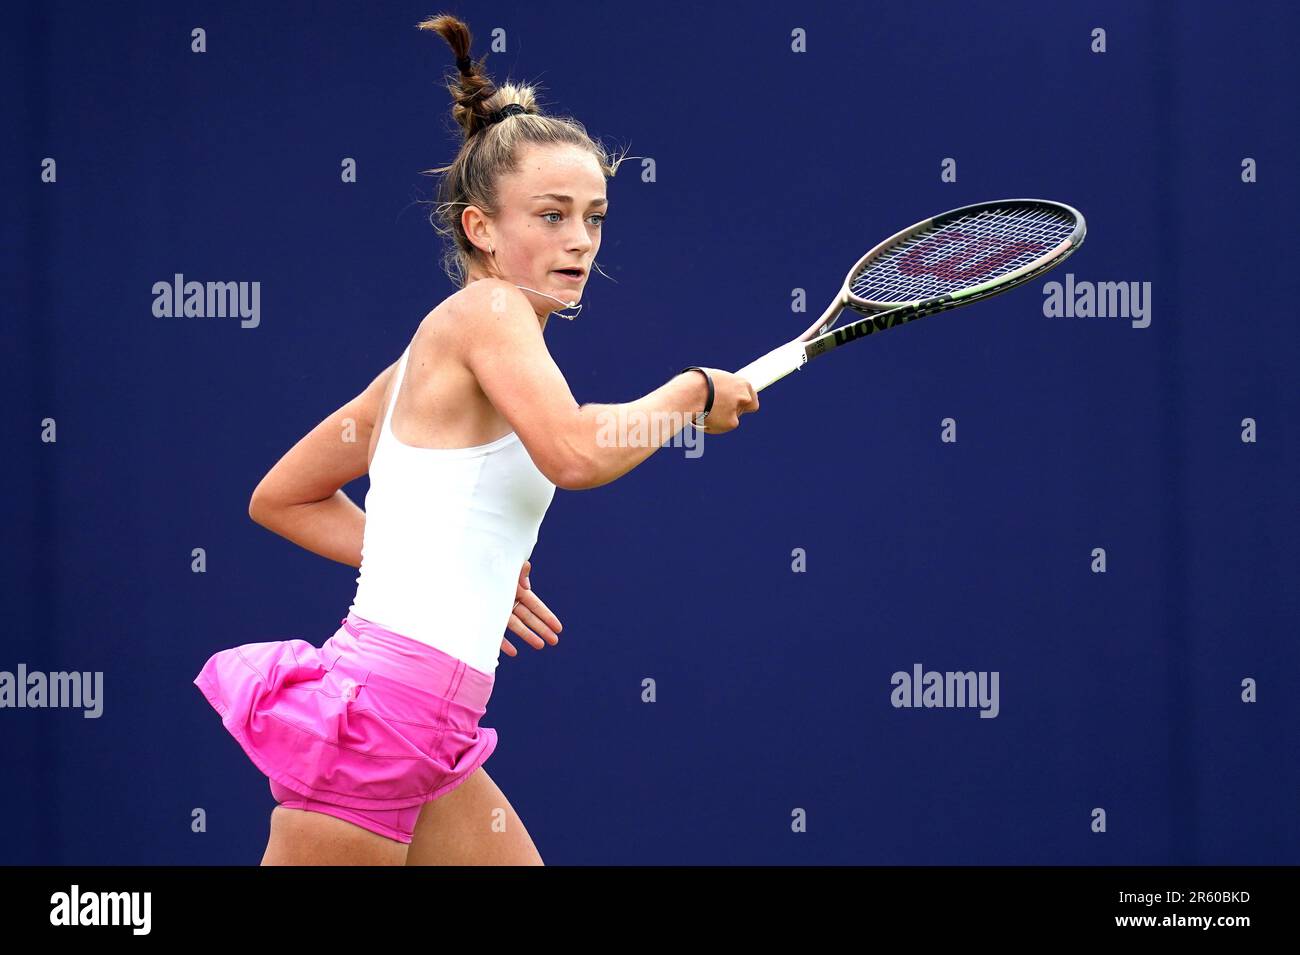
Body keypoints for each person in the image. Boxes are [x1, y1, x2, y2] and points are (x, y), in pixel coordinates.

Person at [192, 12, 759, 867]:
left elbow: (286, 497)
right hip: (378, 721)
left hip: (429, 731)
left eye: (595, 217)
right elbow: (573, 452)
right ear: (479, 229)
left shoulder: (429, 358)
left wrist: (449, 558)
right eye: (552, 214)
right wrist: (690, 392)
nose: (579, 240)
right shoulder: (489, 311)